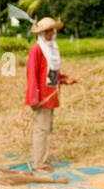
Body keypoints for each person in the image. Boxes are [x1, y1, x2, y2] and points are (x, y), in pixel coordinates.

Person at [24, 17, 72, 173]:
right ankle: (38, 163)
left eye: (52, 30)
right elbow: (32, 75)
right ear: (42, 33)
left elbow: (52, 74)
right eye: (47, 31)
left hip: (50, 95)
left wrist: (64, 79)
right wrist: (34, 98)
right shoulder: (37, 49)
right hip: (41, 97)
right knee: (41, 129)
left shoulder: (52, 49)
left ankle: (42, 159)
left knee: (47, 128)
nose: (50, 34)